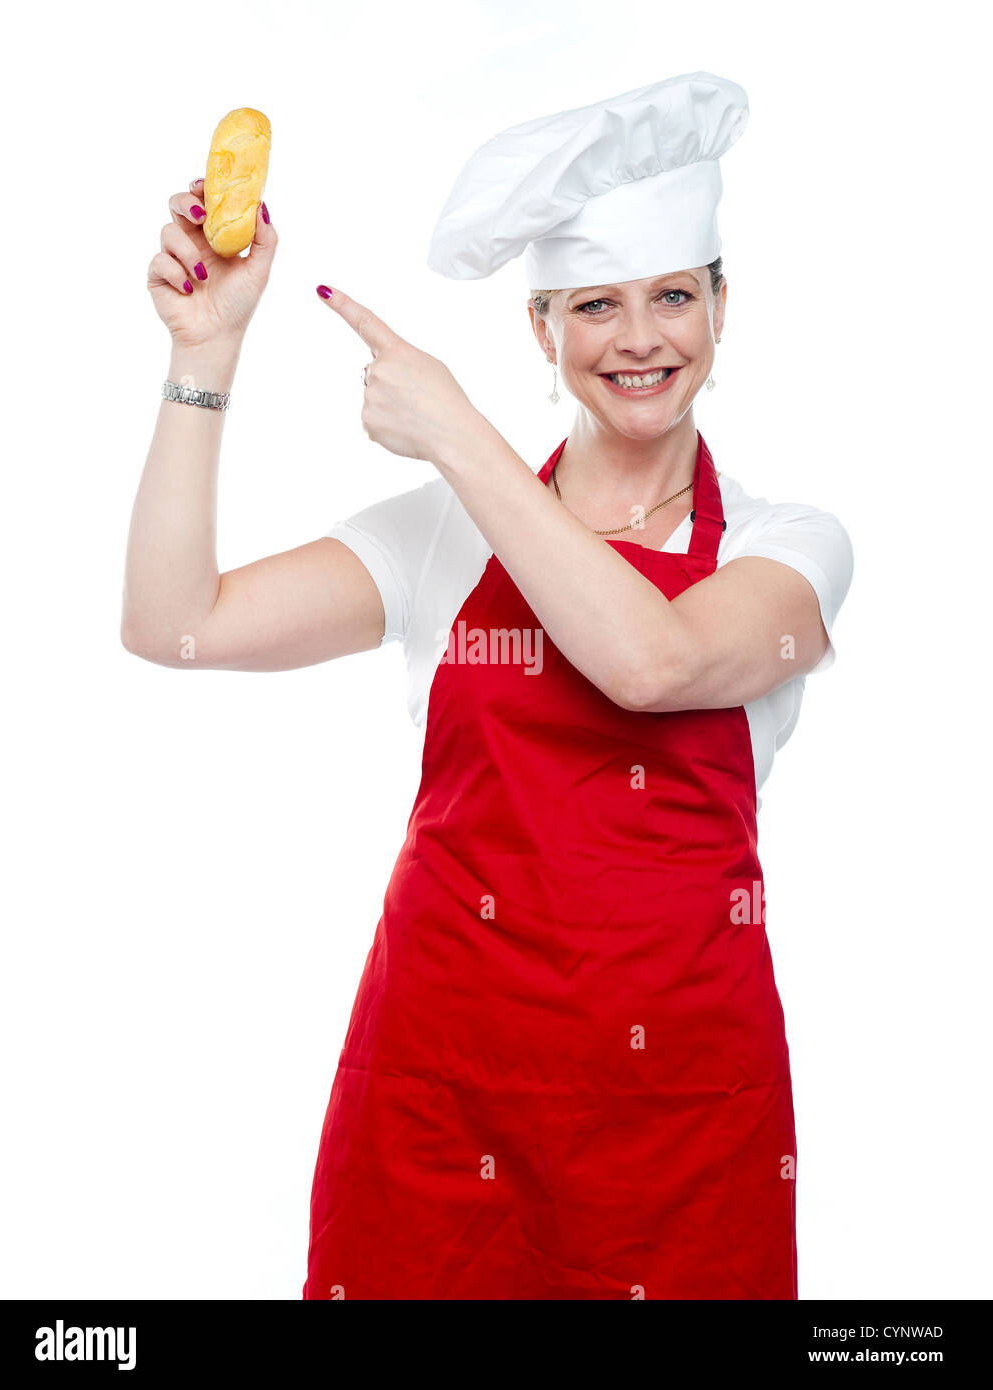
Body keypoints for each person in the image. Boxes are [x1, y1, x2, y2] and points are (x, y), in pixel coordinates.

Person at [123, 71, 853, 1300]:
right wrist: (208, 354)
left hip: (680, 1115)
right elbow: (174, 623)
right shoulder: (440, 539)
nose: (639, 339)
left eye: (674, 296)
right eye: (595, 306)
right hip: (438, 1094)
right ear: (544, 329)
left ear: (723, 309)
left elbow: (651, 662)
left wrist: (458, 432)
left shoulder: (786, 546)